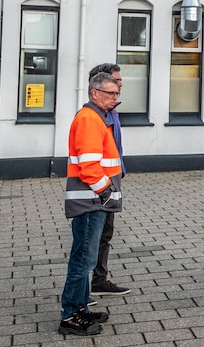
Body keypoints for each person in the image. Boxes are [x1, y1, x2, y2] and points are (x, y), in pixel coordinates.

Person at [58, 71, 123, 336]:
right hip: (91, 201)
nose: (115, 99)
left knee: (86, 256)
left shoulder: (96, 118)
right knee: (83, 260)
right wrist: (106, 192)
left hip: (93, 200)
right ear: (95, 93)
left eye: (117, 94)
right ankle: (71, 315)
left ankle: (81, 308)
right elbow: (89, 166)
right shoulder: (89, 119)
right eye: (111, 94)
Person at [88, 64, 131, 298]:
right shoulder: (94, 116)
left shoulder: (111, 112)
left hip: (111, 182)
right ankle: (83, 292)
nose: (120, 86)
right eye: (116, 82)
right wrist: (103, 187)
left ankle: (99, 280)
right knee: (91, 238)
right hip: (99, 187)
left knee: (106, 234)